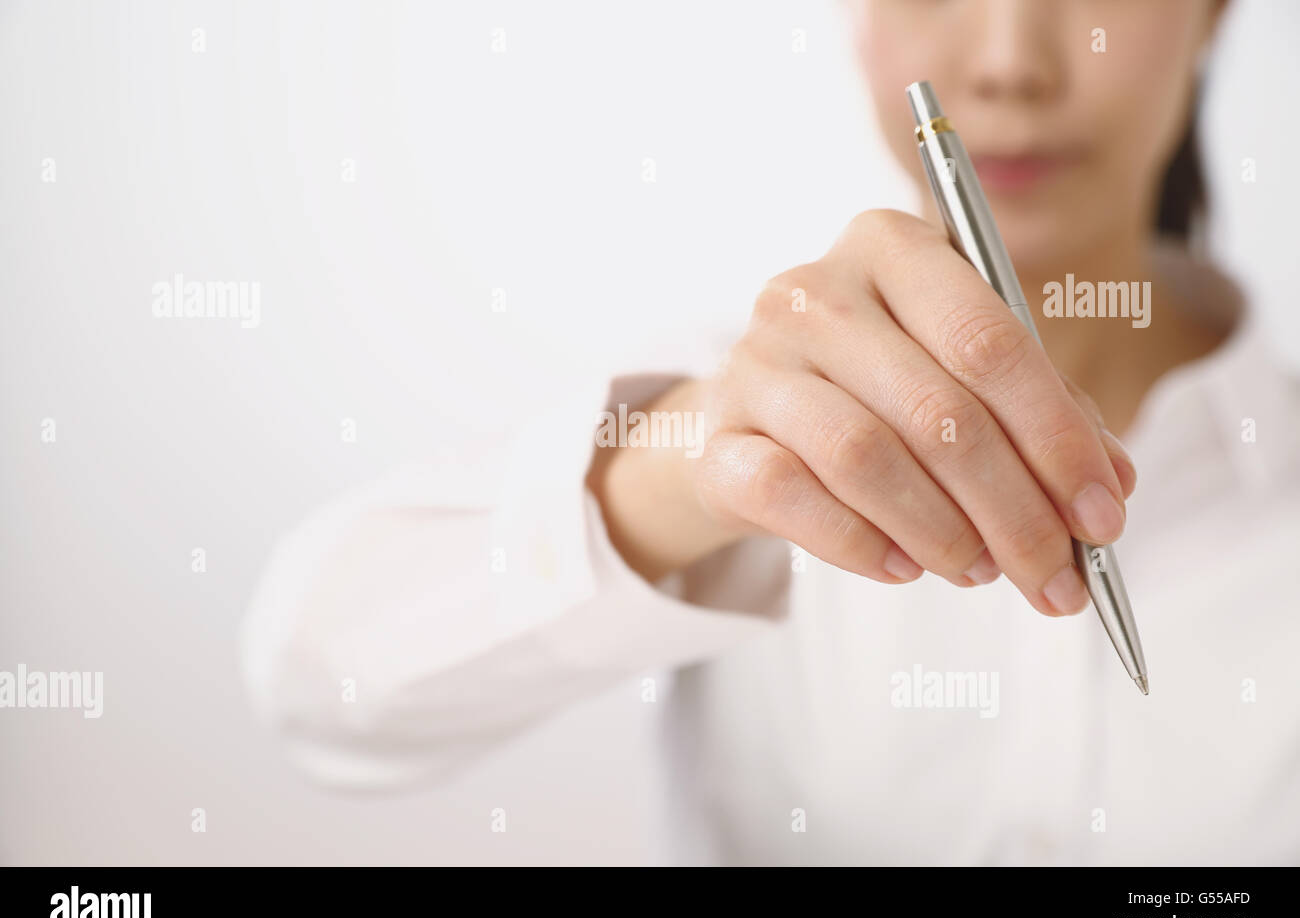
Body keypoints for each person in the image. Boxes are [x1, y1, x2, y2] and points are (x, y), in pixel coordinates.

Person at [241, 0, 1300, 864]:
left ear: (1213, 14)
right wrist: (687, 471)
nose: (1008, 60)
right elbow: (319, 688)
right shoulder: (716, 391)